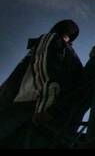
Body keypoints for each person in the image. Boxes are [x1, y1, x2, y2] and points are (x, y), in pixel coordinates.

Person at [0, 20, 82, 148]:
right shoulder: (72, 56)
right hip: (40, 115)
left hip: (22, 108)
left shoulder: (51, 39)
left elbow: (44, 71)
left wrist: (43, 107)